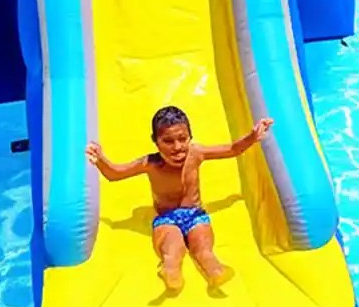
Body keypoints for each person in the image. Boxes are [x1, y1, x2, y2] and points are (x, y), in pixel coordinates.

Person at [85, 105, 273, 293]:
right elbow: (116, 174)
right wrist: (100, 159)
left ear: (190, 137)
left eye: (182, 139)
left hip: (196, 215)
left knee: (204, 250)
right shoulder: (150, 164)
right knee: (172, 250)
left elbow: (232, 149)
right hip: (167, 219)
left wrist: (252, 137)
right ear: (155, 141)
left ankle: (215, 271)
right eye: (168, 141)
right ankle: (170, 270)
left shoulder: (197, 153)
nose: (177, 147)